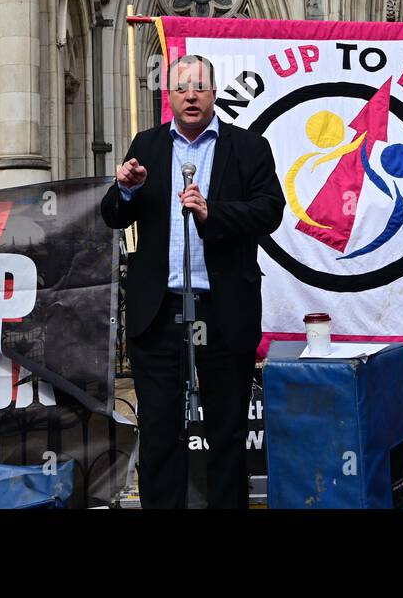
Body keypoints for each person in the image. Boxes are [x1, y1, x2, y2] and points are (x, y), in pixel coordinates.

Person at [101, 54, 285, 508]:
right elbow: (112, 215)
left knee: (226, 435)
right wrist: (125, 188)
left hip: (223, 312)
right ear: (170, 94)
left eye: (200, 86)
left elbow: (271, 211)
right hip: (160, 313)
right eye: (182, 87)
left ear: (214, 93)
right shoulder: (146, 145)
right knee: (162, 433)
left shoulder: (248, 148)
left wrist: (212, 212)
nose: (190, 95)